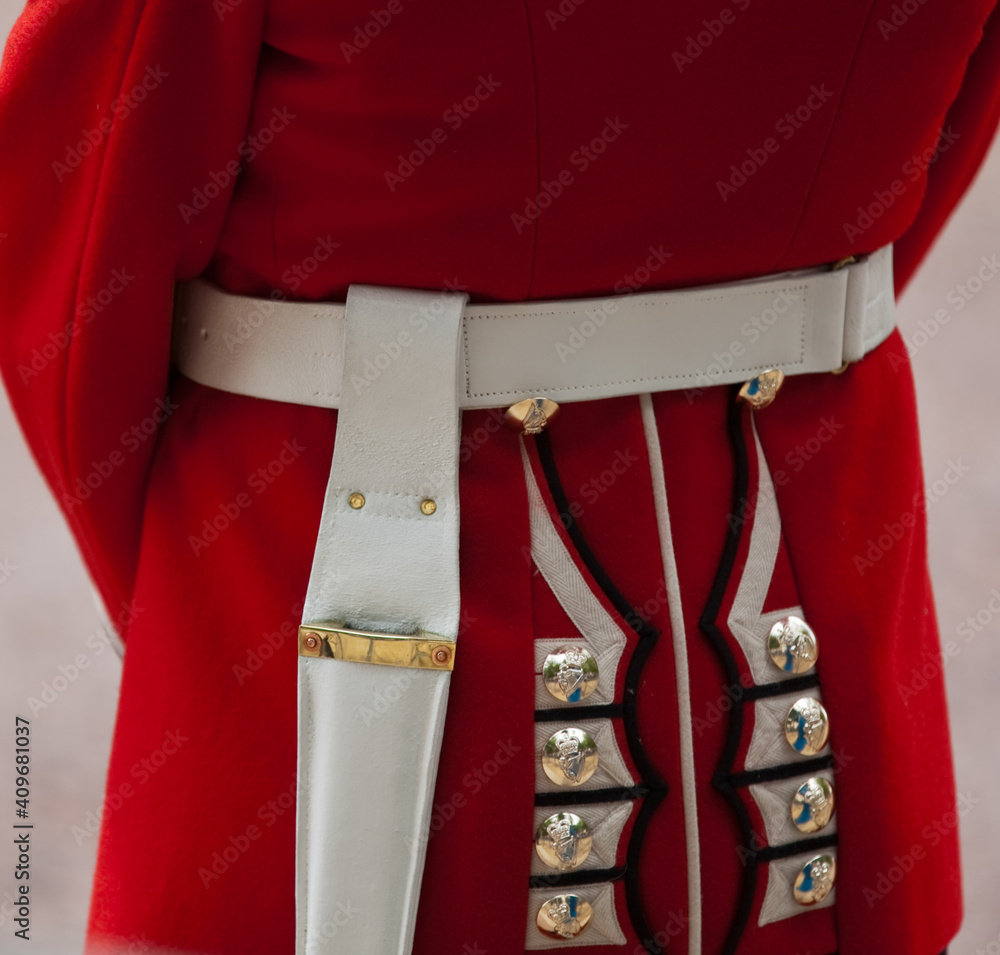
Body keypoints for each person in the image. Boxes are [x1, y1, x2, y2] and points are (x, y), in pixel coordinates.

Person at [1, 1, 998, 953]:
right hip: (823, 680)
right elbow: (923, 158)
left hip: (337, 679)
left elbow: (69, 236)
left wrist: (194, 597)